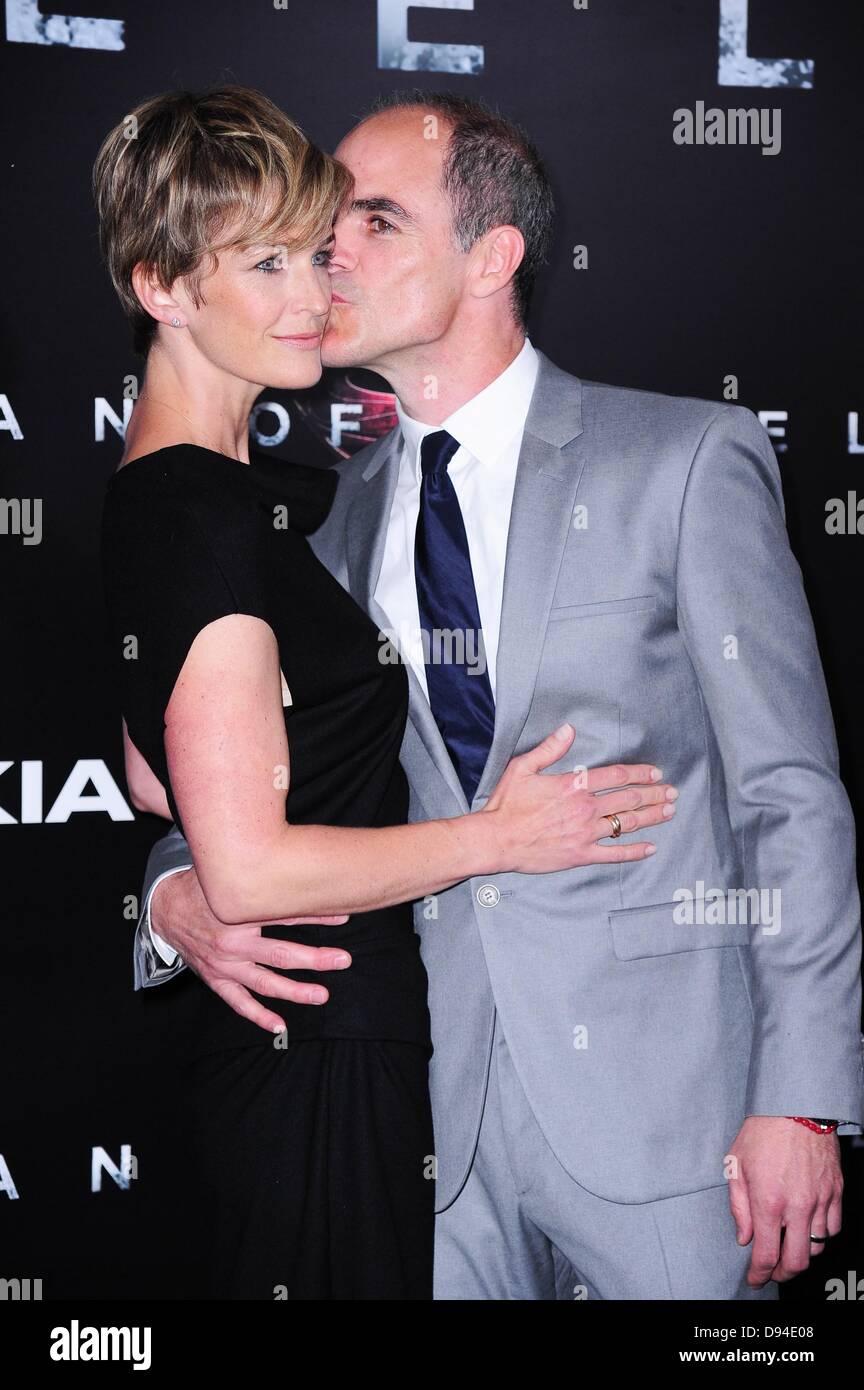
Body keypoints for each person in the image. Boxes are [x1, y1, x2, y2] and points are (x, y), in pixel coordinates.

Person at [132, 89, 864, 1302]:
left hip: (676, 1119)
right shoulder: (322, 521)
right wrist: (171, 890)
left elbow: (790, 792)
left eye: (371, 222)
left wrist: (802, 1095)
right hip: (429, 1130)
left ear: (493, 255)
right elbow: (243, 759)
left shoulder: (681, 462)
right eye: (320, 230)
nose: (330, 258)